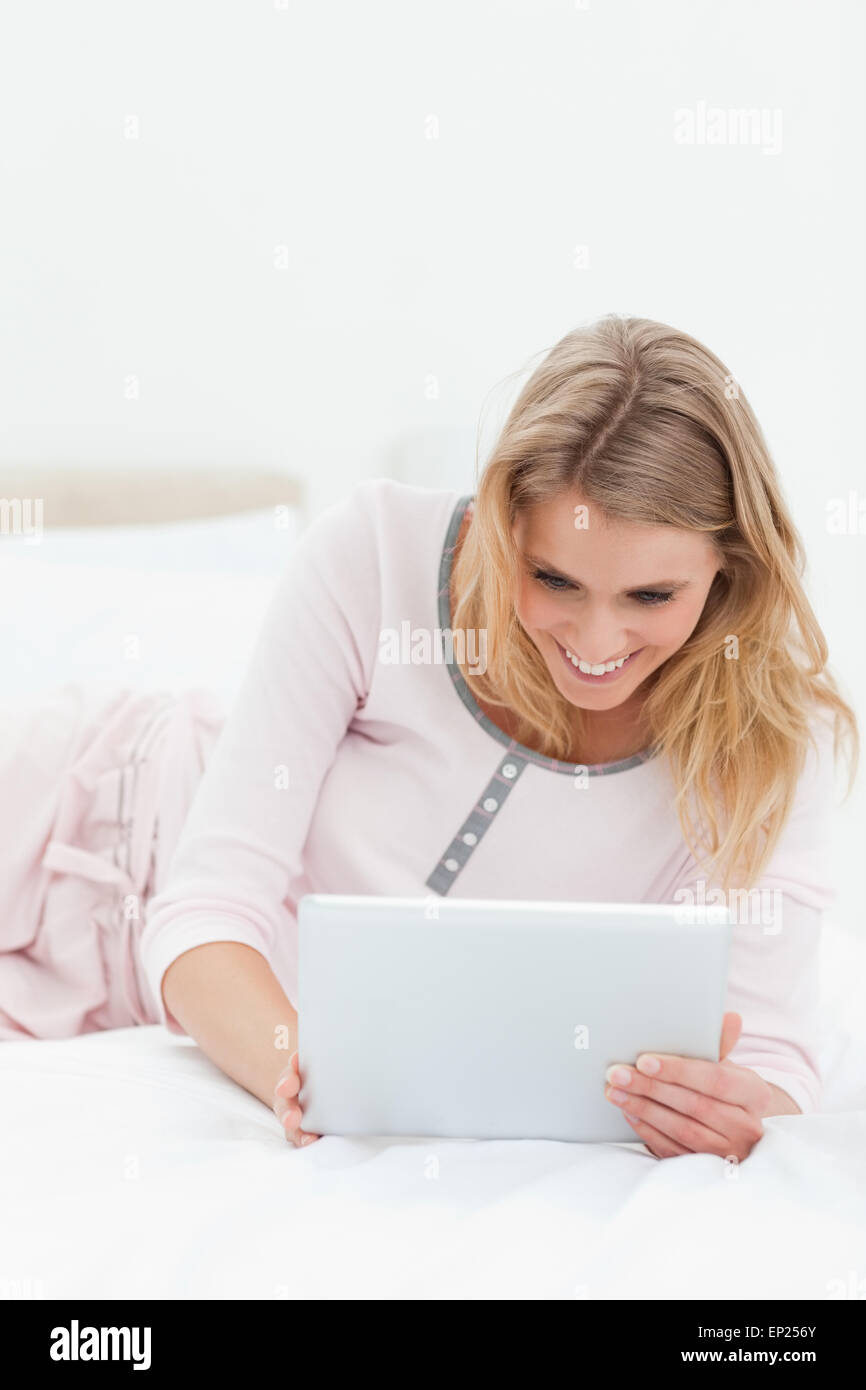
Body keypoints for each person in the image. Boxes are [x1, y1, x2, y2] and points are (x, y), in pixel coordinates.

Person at [2, 314, 857, 1163]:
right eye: (553, 578)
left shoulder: (776, 738)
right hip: (79, 821)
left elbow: (772, 1063)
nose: (597, 645)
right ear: (501, 527)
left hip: (177, 1002)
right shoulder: (372, 558)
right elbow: (203, 906)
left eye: (651, 597)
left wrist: (731, 1114)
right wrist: (300, 1069)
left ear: (730, 567)